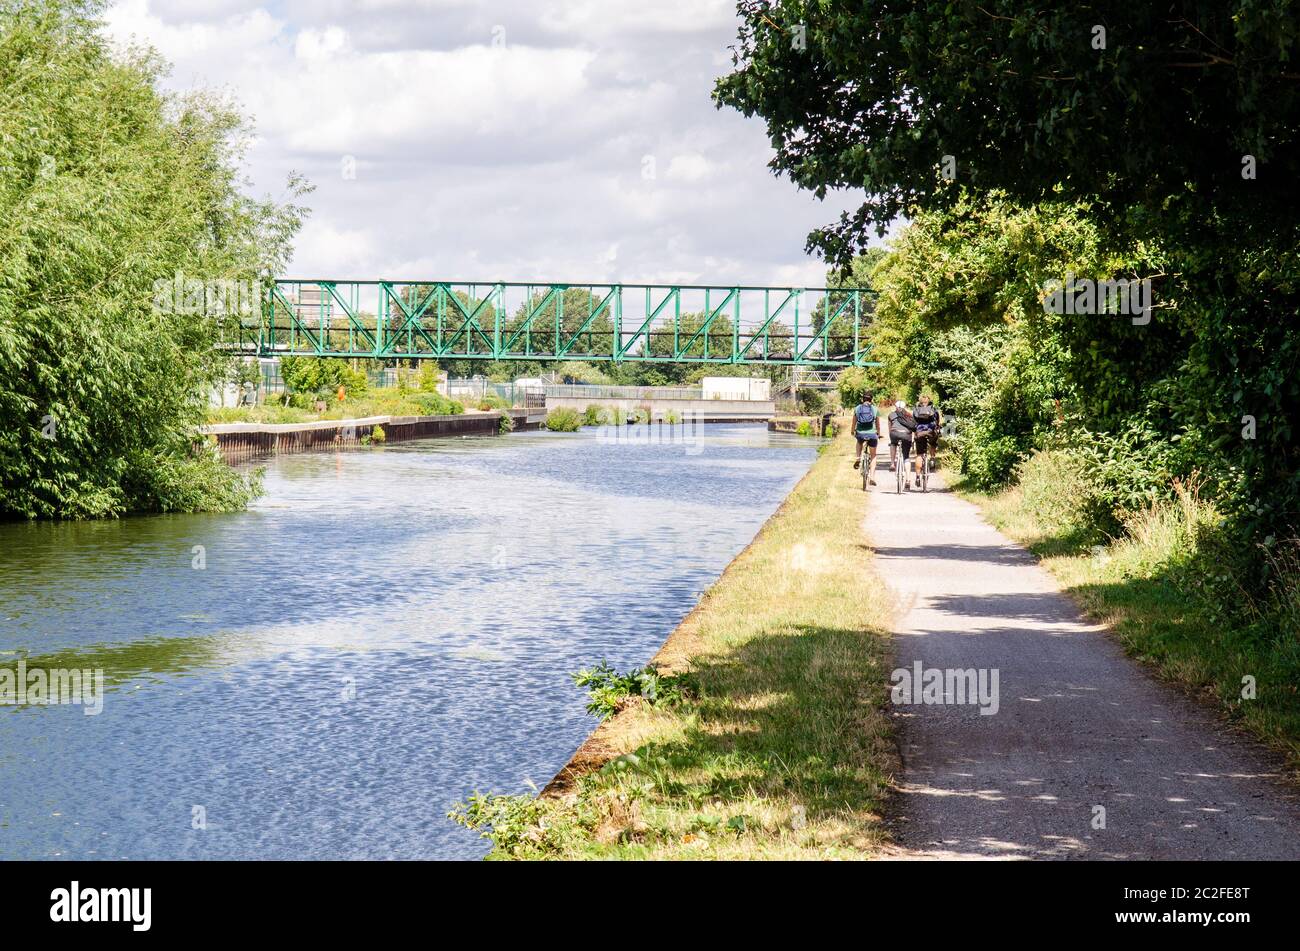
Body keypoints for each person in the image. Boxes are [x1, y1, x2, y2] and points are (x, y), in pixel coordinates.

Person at [851, 391, 883, 485]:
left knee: (859, 441)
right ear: (871, 400)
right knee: (873, 455)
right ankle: (872, 477)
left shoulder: (857, 408)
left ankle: (858, 457)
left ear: (862, 399)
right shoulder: (875, 409)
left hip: (860, 433)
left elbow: (854, 423)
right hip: (872, 434)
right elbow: (878, 425)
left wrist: (852, 431)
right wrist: (878, 434)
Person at [911, 394, 941, 487]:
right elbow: (937, 421)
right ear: (929, 401)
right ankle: (932, 458)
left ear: (920, 401)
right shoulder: (933, 408)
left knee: (919, 454)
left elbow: (914, 422)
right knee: (933, 443)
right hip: (931, 431)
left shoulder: (916, 409)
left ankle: (918, 477)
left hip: (920, 432)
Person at [888, 400, 915, 486]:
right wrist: (912, 440)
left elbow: (890, 429)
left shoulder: (891, 415)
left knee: (893, 444)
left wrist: (892, 438)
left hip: (894, 433)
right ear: (904, 407)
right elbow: (913, 428)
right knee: (906, 457)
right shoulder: (909, 415)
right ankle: (908, 479)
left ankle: (892, 463)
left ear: (895, 407)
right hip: (906, 435)